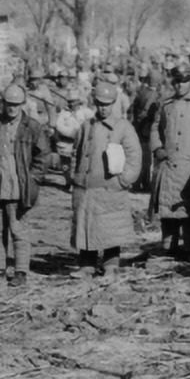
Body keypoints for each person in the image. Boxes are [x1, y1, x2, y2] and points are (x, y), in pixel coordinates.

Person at [67, 81, 143, 279]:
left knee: (111, 228)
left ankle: (111, 265)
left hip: (111, 188)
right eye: (99, 103)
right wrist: (74, 177)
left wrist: (124, 180)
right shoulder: (86, 126)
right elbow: (76, 152)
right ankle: (87, 265)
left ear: (114, 103)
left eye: (107, 104)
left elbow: (134, 157)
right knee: (86, 226)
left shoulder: (123, 127)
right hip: (86, 188)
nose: (103, 108)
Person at [0, 83, 46, 285]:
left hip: (18, 185)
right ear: (3, 104)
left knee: (18, 229)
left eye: (16, 104)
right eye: (8, 104)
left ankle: (21, 270)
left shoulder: (32, 126)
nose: (12, 108)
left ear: (22, 104)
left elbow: (43, 156)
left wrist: (33, 179)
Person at [148, 65, 190, 250]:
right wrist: (157, 148)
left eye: (185, 81)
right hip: (169, 165)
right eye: (177, 81)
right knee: (167, 210)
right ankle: (168, 245)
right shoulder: (166, 104)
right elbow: (155, 127)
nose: (180, 85)